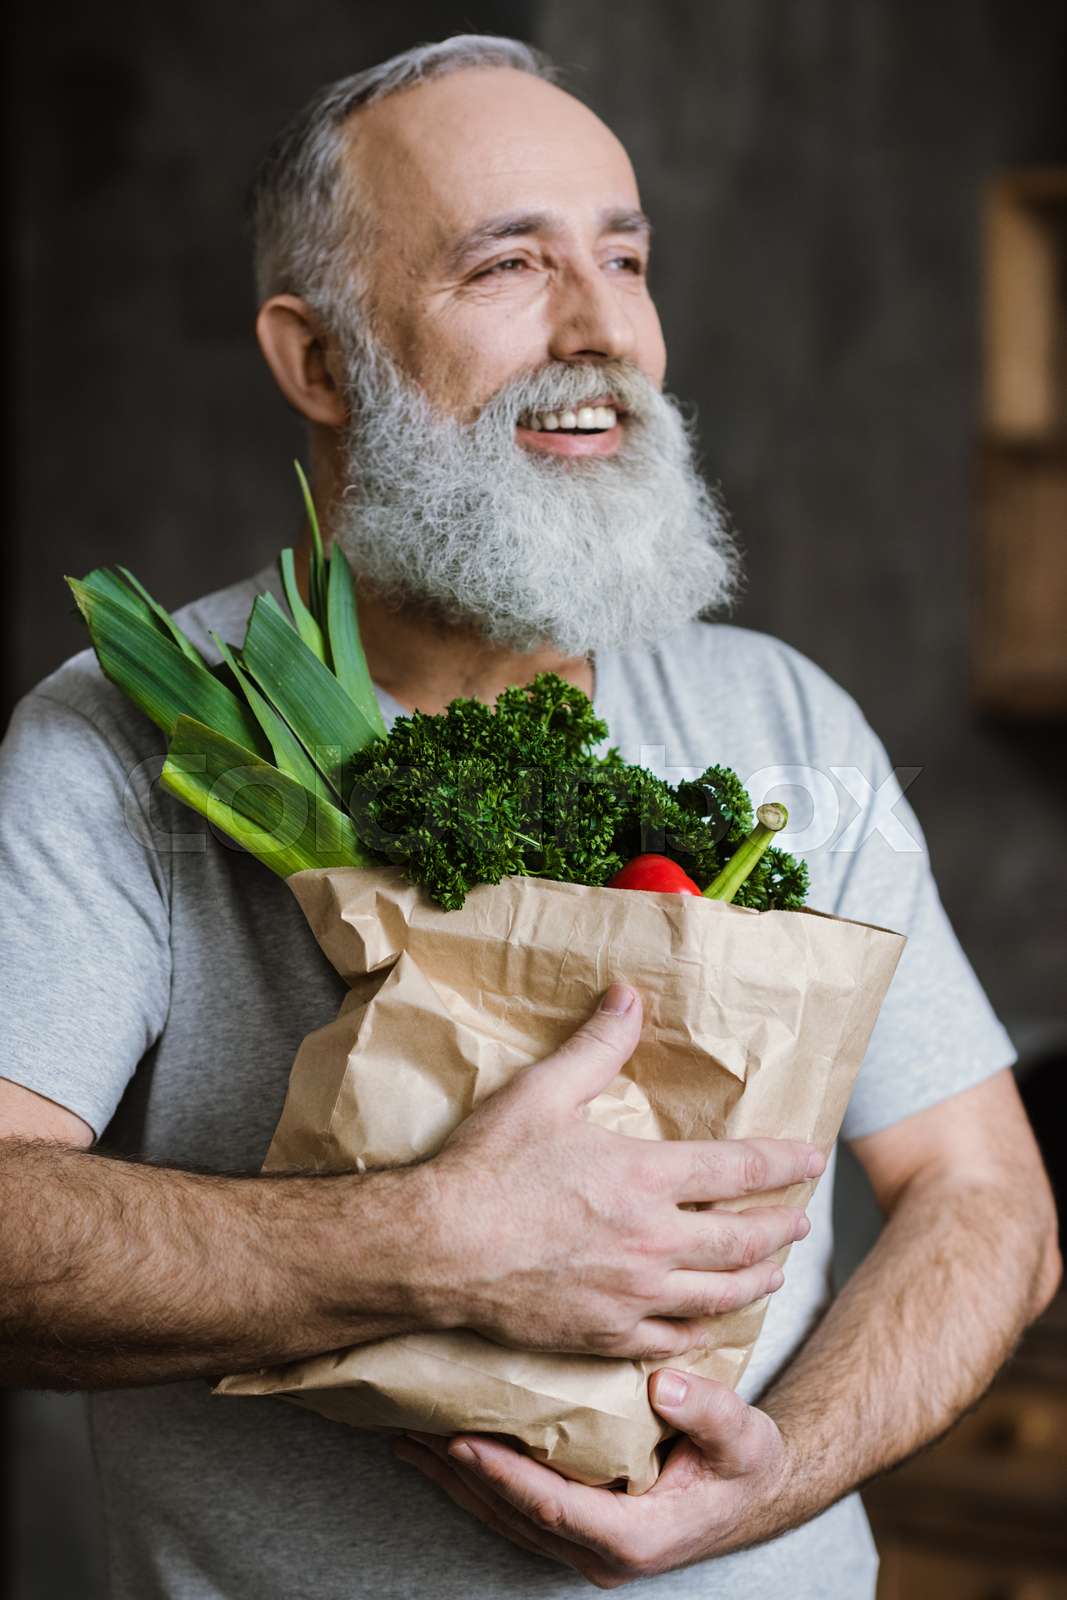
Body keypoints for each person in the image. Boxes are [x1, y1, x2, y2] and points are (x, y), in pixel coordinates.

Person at [0, 33, 1058, 1600]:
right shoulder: (122, 739)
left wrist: (768, 1481)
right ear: (316, 359)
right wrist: (431, 1243)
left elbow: (990, 1205)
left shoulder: (779, 718)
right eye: (507, 264)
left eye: (623, 259)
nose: (600, 330)